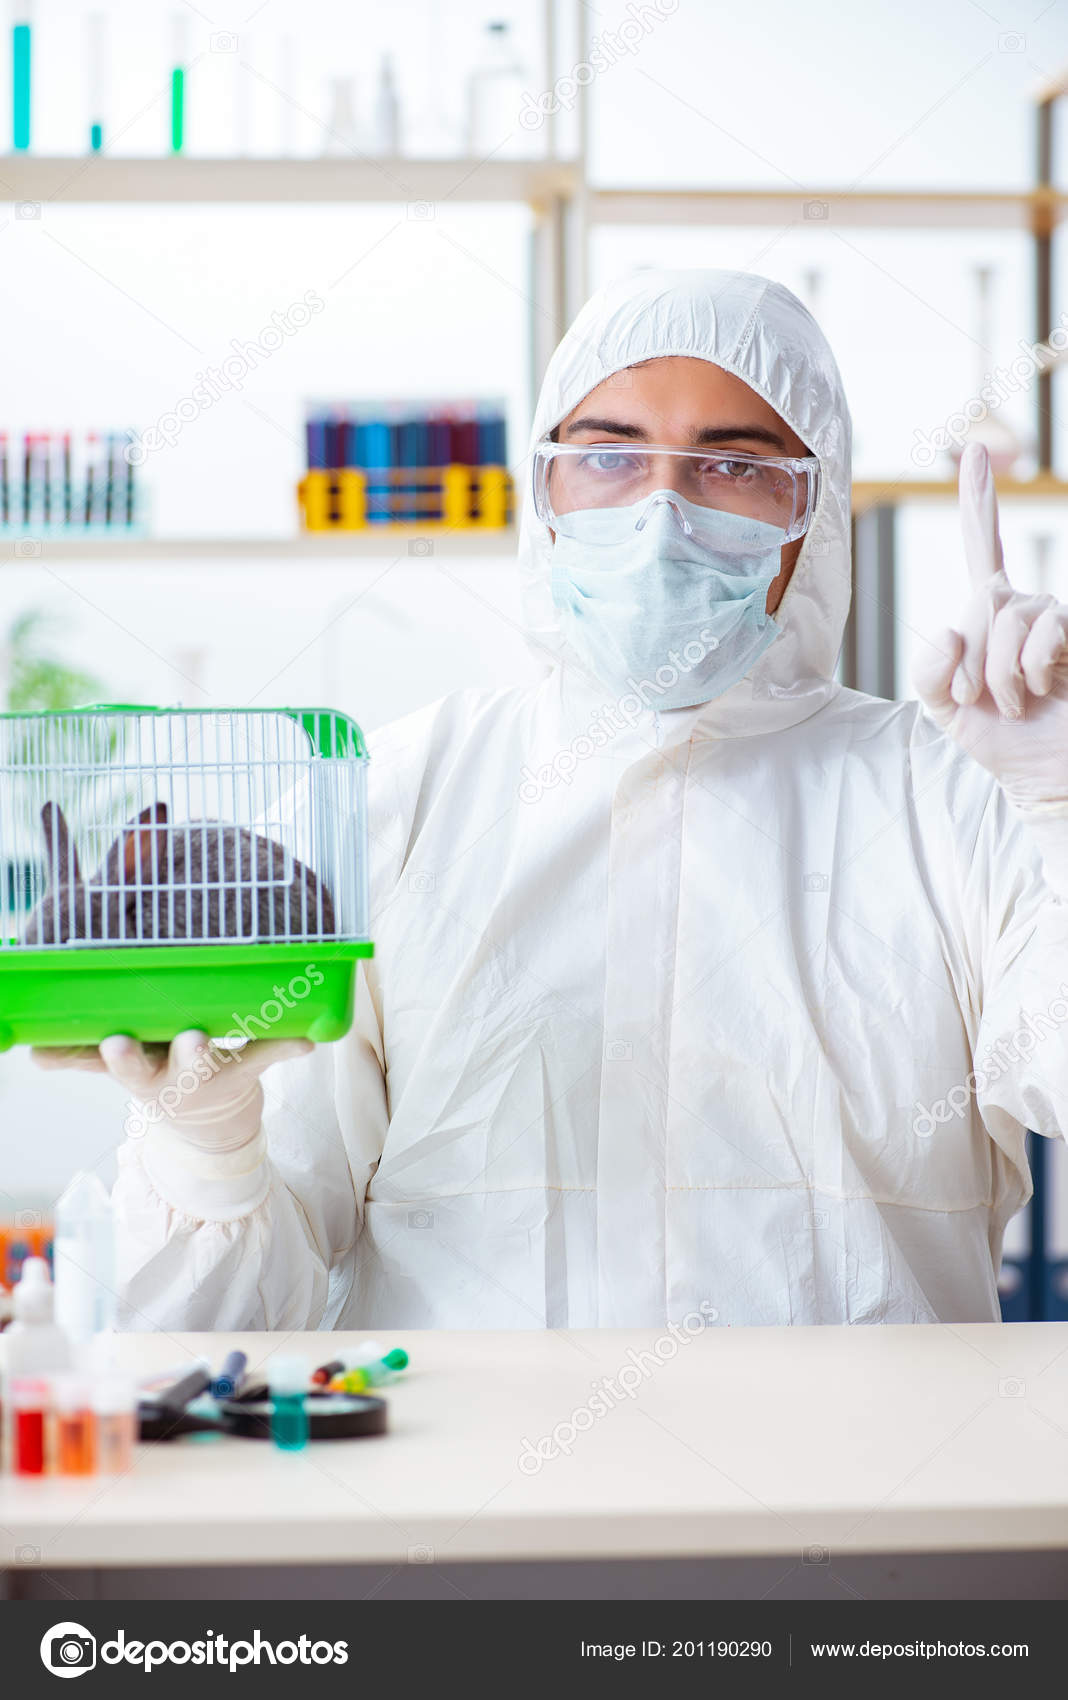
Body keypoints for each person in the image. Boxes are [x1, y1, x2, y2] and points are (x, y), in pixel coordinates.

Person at [37, 267, 1068, 1331]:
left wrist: (1058, 808)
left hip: (873, 1491)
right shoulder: (410, 793)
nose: (662, 512)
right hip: (472, 1491)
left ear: (815, 505)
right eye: (609, 456)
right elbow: (233, 1323)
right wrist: (209, 1149)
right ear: (546, 493)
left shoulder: (945, 795)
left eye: (734, 464)